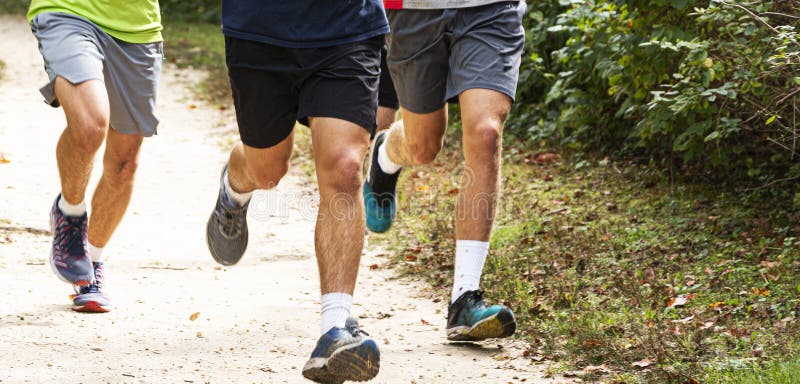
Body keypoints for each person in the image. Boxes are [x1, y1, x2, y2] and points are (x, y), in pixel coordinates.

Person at [205, 1, 388, 382]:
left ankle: (335, 328)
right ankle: (233, 190)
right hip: (259, 28)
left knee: (346, 168)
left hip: (348, 28)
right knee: (267, 169)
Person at [363, 0, 526, 342]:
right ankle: (386, 155)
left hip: (491, 7)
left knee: (486, 133)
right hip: (414, 9)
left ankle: (464, 299)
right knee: (423, 147)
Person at [27, 0, 163, 313]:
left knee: (124, 163)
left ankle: (91, 263)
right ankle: (70, 214)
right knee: (90, 126)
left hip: (137, 28)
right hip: (68, 10)